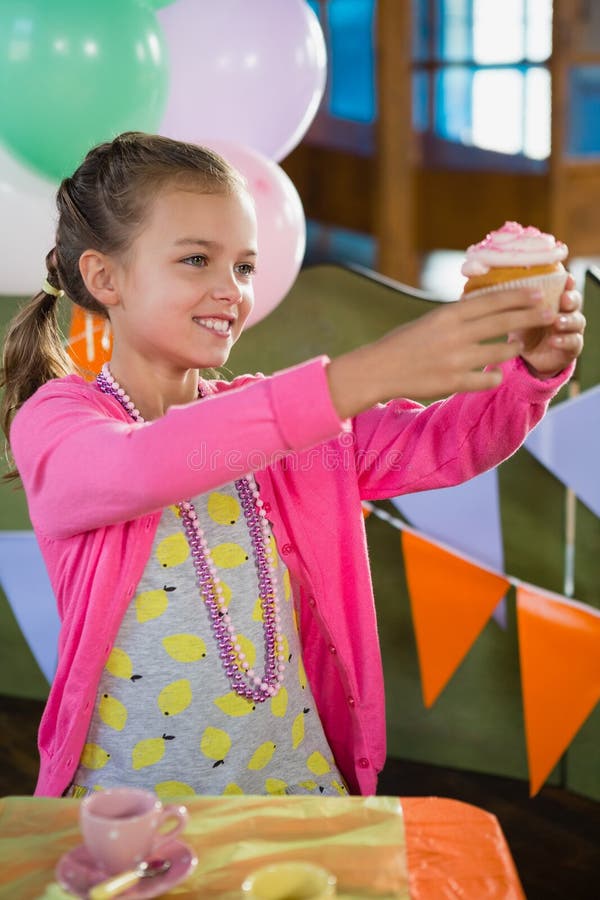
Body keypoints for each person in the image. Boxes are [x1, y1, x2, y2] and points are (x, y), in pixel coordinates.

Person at [1, 132, 585, 800]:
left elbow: (440, 445)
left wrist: (529, 377)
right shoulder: (57, 422)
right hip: (134, 805)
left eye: (244, 267)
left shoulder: (286, 423)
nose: (231, 290)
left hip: (297, 784)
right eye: (197, 259)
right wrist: (357, 377)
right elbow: (140, 466)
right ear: (107, 278)